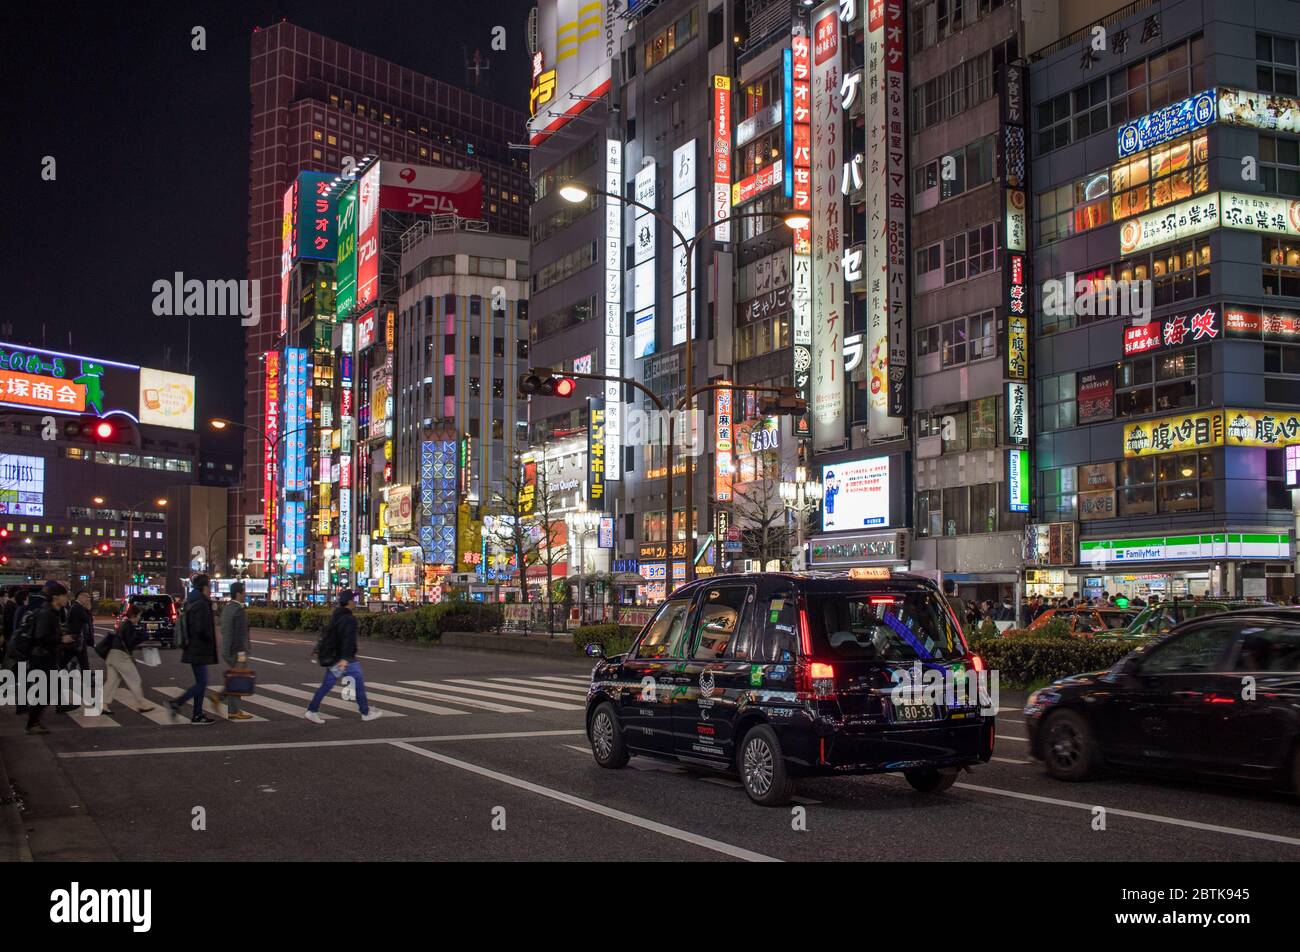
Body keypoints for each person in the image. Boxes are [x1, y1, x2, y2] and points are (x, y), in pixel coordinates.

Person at [305, 590, 380, 723]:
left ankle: (312, 710)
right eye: (354, 599)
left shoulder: (337, 615)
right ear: (350, 602)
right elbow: (347, 640)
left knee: (327, 685)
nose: (355, 601)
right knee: (358, 683)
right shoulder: (349, 619)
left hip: (335, 657)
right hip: (345, 659)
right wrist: (345, 659)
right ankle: (365, 712)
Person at [23, 581, 74, 735]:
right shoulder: (47, 612)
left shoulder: (52, 611)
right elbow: (41, 635)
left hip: (45, 656)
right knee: (45, 692)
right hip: (42, 657)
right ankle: (32, 723)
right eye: (64, 596)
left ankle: (34, 721)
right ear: (55, 597)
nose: (66, 599)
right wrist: (61, 639)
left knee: (46, 691)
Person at [169, 574, 218, 725]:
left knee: (200, 683)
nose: (211, 589)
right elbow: (201, 628)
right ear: (204, 587)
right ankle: (177, 703)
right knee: (201, 683)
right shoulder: (201, 604)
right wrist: (210, 638)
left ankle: (197, 714)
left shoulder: (193, 601)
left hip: (193, 647)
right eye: (210, 586)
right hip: (198, 648)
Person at [100, 604, 155, 715]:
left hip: (111, 655)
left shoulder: (124, 625)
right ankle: (141, 704)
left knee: (112, 681)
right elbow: (130, 642)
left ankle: (103, 704)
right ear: (134, 615)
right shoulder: (129, 626)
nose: (140, 618)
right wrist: (143, 636)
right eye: (139, 615)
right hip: (120, 656)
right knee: (134, 680)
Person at [219, 582, 254, 720]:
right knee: (238, 679)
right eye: (244, 592)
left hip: (226, 649)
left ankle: (219, 698)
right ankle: (233, 710)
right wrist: (241, 654)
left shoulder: (227, 608)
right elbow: (240, 634)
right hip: (236, 650)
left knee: (235, 677)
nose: (245, 594)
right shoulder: (239, 610)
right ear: (239, 593)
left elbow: (223, 629)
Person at [56, 591, 95, 712]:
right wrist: (88, 610)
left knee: (84, 667)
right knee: (66, 665)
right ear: (81, 597)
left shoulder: (75, 607)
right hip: (75, 643)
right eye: (87, 597)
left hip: (77, 643)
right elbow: (88, 621)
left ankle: (89, 695)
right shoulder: (78, 607)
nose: (88, 600)